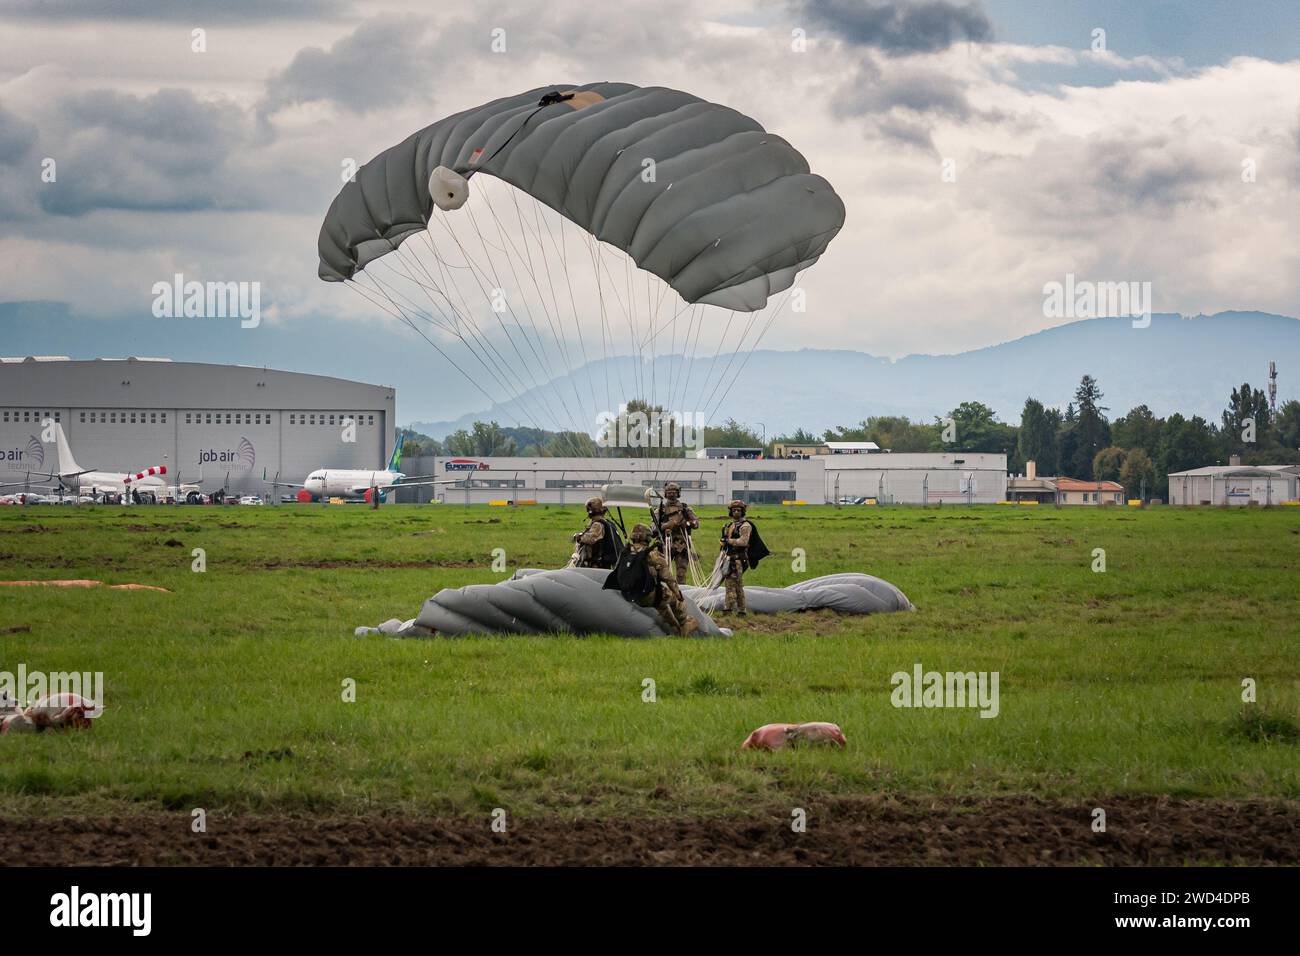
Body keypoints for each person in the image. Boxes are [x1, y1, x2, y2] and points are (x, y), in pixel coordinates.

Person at [604, 523, 697, 636]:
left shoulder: (626, 552)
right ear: (648, 538)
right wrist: (678, 594)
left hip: (629, 594)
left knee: (662, 606)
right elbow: (667, 577)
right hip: (647, 594)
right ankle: (684, 624)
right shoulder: (651, 554)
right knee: (672, 599)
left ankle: (674, 628)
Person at [718, 499, 769, 615]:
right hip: (729, 558)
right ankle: (742, 611)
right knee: (738, 585)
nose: (736, 512)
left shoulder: (745, 526)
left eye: (739, 510)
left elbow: (743, 541)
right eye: (734, 510)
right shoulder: (730, 525)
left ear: (743, 512)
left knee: (730, 584)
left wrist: (728, 541)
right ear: (731, 512)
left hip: (738, 560)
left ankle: (728, 610)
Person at [656, 481, 700, 583]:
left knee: (681, 573)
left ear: (678, 493)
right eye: (669, 492)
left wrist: (686, 524)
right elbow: (654, 527)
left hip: (682, 545)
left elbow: (696, 523)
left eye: (674, 492)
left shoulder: (685, 508)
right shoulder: (660, 510)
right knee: (663, 572)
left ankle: (681, 593)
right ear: (665, 494)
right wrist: (668, 525)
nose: (672, 494)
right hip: (665, 545)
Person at [572, 496, 621, 569]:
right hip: (610, 561)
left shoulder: (598, 524)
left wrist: (578, 536)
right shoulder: (608, 523)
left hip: (601, 563)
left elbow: (590, 539)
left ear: (590, 511)